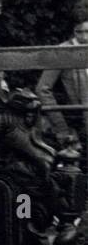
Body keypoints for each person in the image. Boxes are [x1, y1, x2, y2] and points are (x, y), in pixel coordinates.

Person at [36, 13, 88, 147]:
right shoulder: (63, 51)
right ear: (72, 30)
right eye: (79, 32)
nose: (84, 37)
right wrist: (61, 127)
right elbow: (42, 89)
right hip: (78, 123)